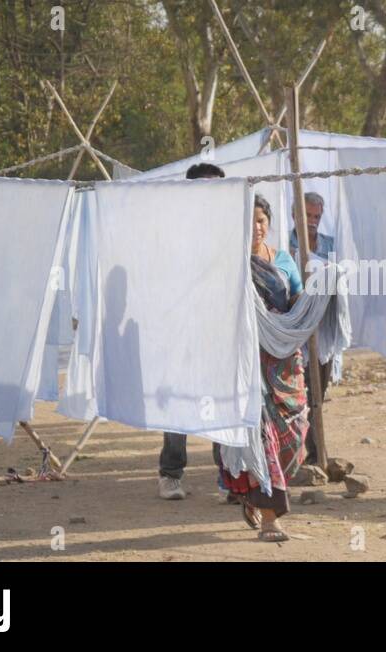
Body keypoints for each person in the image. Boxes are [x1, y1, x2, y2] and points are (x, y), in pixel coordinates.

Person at [218, 193, 309, 542]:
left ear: (269, 223)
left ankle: (251, 494)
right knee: (261, 435)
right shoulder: (231, 263)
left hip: (285, 360)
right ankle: (271, 517)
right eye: (249, 221)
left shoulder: (283, 260)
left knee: (296, 435)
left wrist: (316, 298)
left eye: (261, 220)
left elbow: (296, 296)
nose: (255, 227)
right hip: (249, 361)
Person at [157, 161, 227, 501]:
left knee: (226, 398)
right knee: (178, 401)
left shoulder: (232, 229)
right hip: (181, 328)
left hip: (220, 328)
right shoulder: (174, 231)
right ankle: (171, 474)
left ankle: (228, 474)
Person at [289, 191, 337, 464]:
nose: (312, 221)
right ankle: (309, 455)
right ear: (295, 215)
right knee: (301, 393)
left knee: (320, 393)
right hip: (297, 334)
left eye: (317, 216)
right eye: (306, 215)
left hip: (325, 332)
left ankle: (316, 454)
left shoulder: (330, 245)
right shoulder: (286, 246)